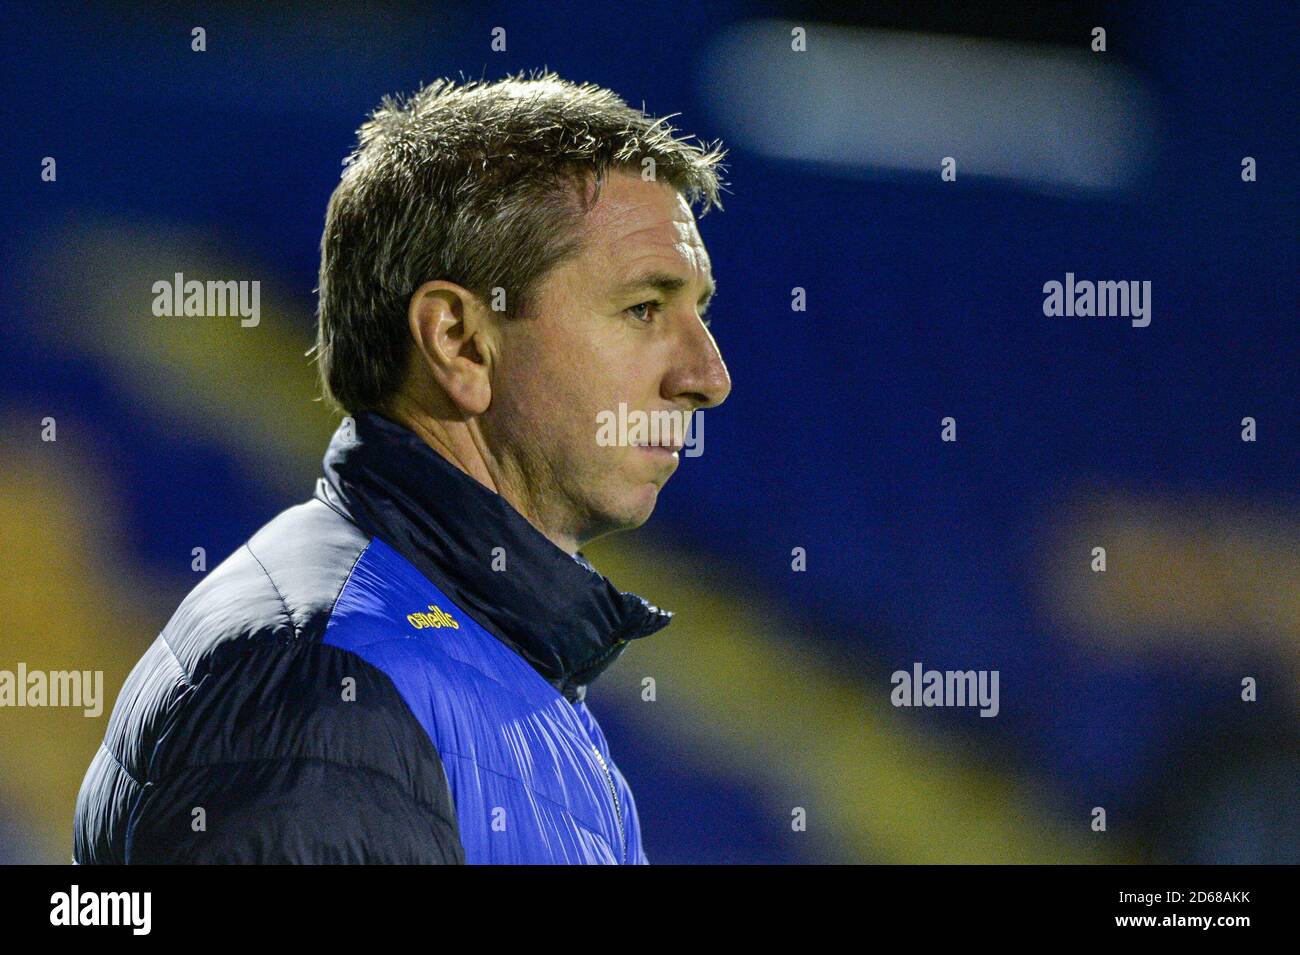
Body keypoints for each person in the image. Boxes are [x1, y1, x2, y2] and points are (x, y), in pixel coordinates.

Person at [72, 70, 732, 864]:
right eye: (644, 308)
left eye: (701, 310)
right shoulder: (328, 685)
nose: (707, 375)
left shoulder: (487, 664)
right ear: (457, 340)